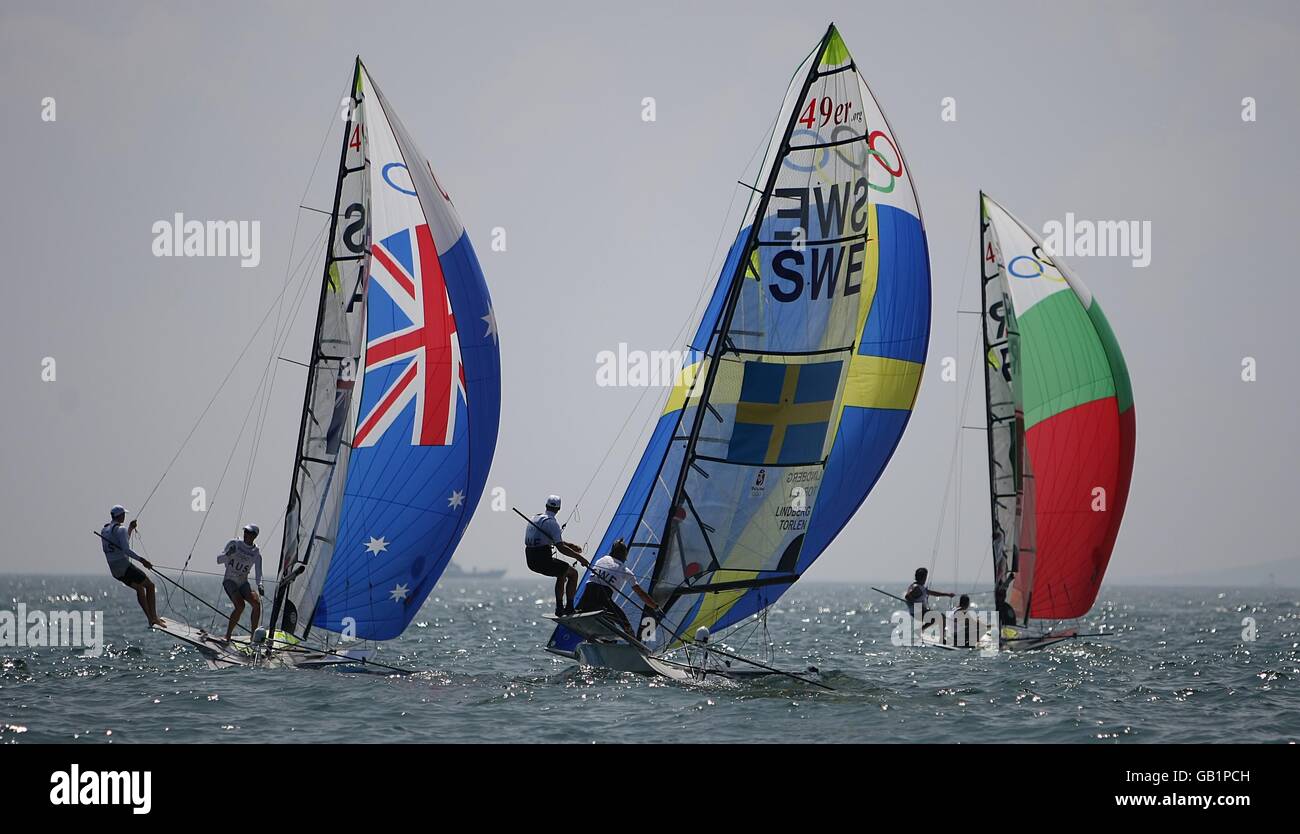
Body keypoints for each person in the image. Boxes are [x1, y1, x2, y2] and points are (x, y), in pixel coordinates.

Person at [576, 538, 657, 638]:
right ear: (625, 555)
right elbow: (640, 593)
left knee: (609, 627)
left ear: (612, 551)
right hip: (603, 603)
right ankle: (633, 640)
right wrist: (655, 606)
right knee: (624, 622)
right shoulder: (625, 570)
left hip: (584, 602)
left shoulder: (601, 560)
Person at [100, 505, 164, 627]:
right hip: (124, 566)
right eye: (124, 514)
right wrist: (142, 560)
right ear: (121, 516)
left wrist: (130, 528)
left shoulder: (106, 529)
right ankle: (154, 617)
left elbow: (122, 542)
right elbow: (126, 549)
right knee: (150, 586)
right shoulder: (120, 529)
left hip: (115, 571)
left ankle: (150, 619)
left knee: (139, 588)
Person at [524, 495, 588, 617]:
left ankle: (559, 609)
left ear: (546, 505)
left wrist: (571, 545)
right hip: (543, 559)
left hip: (531, 560)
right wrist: (581, 559)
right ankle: (569, 608)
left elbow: (547, 539)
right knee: (573, 573)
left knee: (562, 571)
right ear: (559, 508)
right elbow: (561, 548)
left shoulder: (535, 518)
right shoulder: (552, 523)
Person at [218, 524, 264, 642]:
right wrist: (228, 554)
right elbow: (219, 560)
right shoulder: (234, 544)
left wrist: (260, 585)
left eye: (249, 533)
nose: (246, 534)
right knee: (240, 606)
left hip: (243, 582)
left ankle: (253, 637)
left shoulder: (256, 553)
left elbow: (259, 573)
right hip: (229, 580)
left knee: (257, 605)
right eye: (245, 532)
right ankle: (227, 636)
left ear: (254, 536)